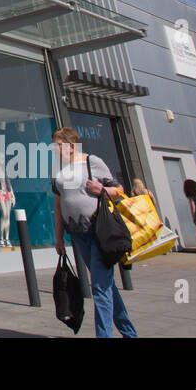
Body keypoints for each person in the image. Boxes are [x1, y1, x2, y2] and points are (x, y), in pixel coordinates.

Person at [51, 127, 137, 338]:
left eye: (58, 146)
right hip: (78, 234)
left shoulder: (93, 162)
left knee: (100, 287)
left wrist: (102, 191)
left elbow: (119, 191)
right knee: (105, 286)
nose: (54, 150)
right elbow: (59, 204)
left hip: (99, 232)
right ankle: (129, 332)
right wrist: (59, 236)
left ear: (71, 146)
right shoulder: (58, 171)